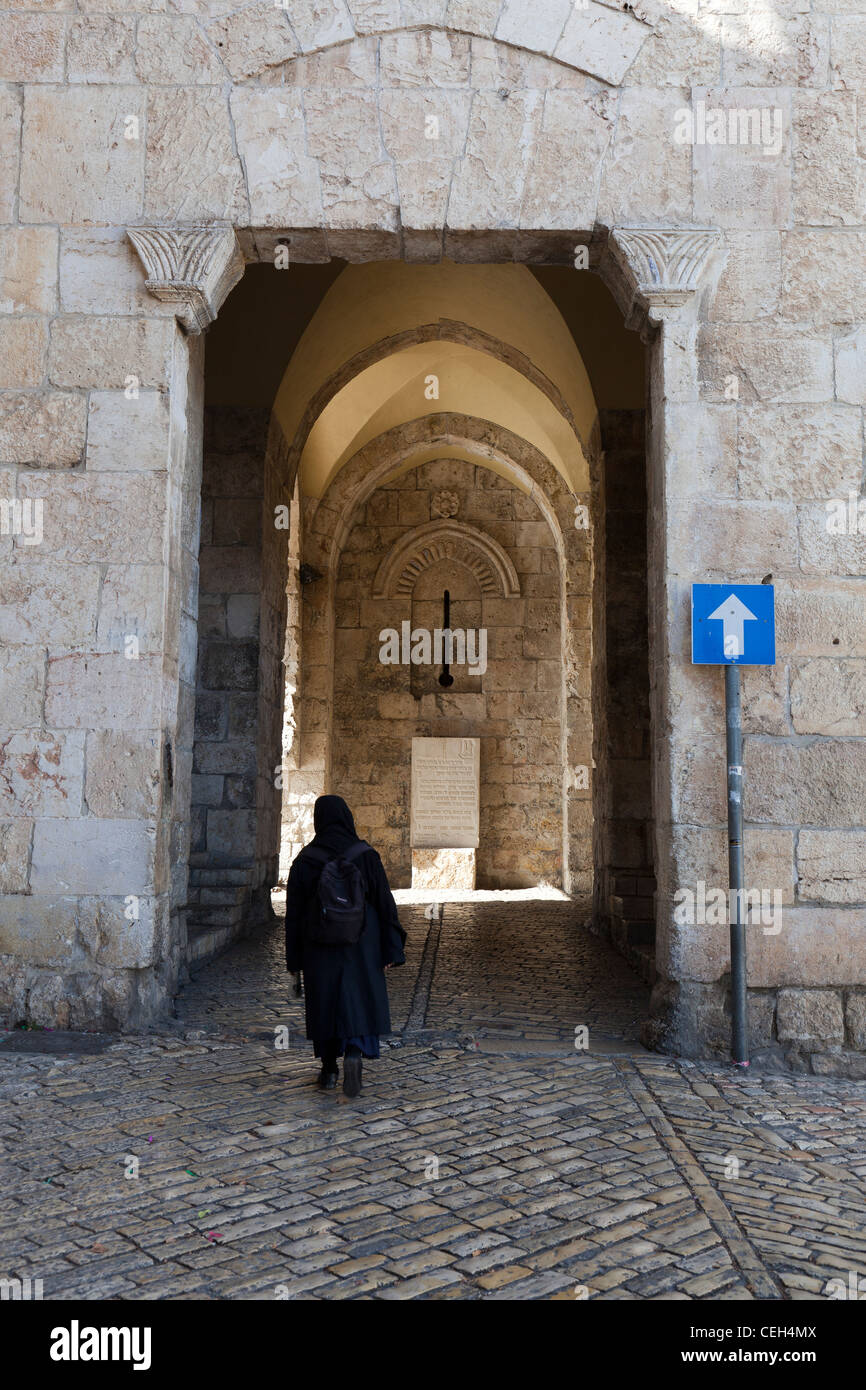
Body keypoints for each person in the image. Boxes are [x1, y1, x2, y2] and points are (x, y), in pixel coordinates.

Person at [285, 795, 406, 1097]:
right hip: (362, 942)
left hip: (319, 943)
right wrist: (391, 948)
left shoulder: (305, 860)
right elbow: (384, 903)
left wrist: (294, 960)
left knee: (325, 1001)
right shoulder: (366, 856)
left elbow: (294, 915)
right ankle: (355, 1051)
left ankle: (328, 1069)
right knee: (359, 997)